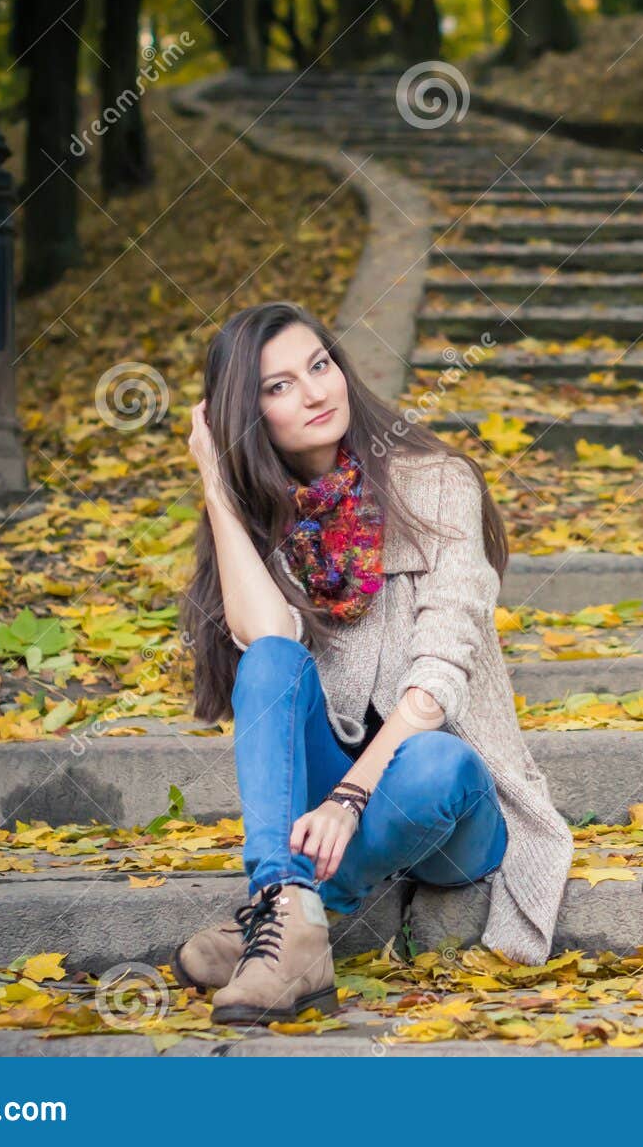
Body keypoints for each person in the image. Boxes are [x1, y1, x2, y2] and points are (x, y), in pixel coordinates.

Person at [173, 300, 573, 1027]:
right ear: (247, 415)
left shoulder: (438, 482)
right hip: (329, 800)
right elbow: (265, 641)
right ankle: (283, 908)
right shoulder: (269, 520)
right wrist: (215, 487)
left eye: (319, 366)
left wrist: (349, 795)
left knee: (437, 764)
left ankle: (282, 919)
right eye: (279, 386)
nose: (316, 392)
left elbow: (440, 674)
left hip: (443, 808)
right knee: (268, 660)